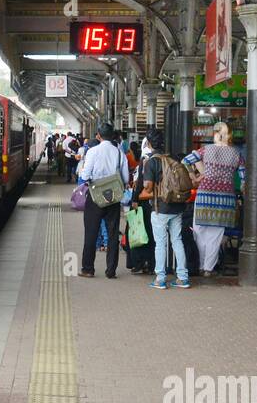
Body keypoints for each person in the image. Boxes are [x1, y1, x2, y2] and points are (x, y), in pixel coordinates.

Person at [182, 121, 244, 277]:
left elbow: (185, 161)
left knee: (199, 232)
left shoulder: (205, 150)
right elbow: (244, 177)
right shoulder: (236, 154)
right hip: (224, 199)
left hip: (204, 196)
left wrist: (194, 176)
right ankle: (208, 269)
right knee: (216, 236)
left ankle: (201, 265)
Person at [77, 122, 129, 279]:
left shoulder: (93, 151)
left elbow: (85, 176)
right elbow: (125, 178)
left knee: (91, 233)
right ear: (112, 135)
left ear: (98, 135)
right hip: (113, 196)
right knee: (113, 234)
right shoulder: (120, 153)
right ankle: (111, 270)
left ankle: (88, 269)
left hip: (95, 196)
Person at [139, 129, 190, 289]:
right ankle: (182, 277)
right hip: (177, 206)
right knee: (177, 240)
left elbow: (148, 187)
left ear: (148, 143)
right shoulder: (173, 158)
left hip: (160, 208)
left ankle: (160, 279)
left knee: (160, 243)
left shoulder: (151, 161)